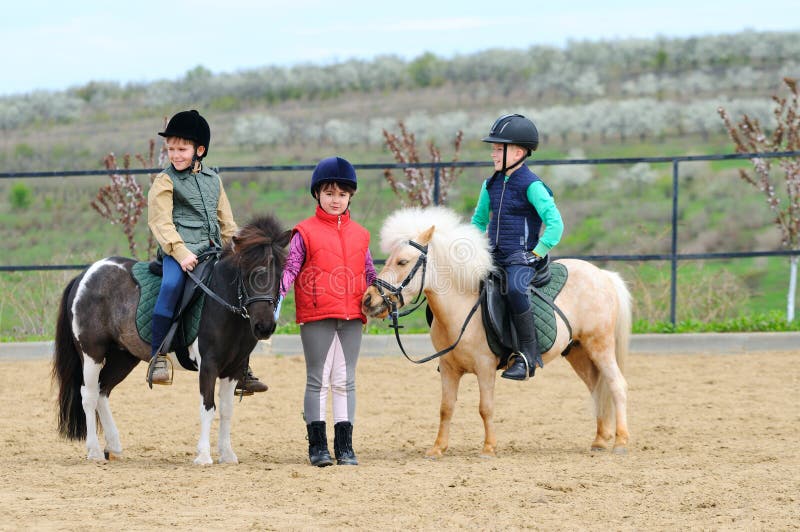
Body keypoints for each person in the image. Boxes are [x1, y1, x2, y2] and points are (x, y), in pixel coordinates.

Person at [146, 109, 267, 394]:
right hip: (180, 253)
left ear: (199, 150)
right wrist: (180, 252)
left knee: (240, 289)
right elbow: (160, 221)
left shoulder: (214, 179)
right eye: (171, 149)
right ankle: (158, 355)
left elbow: (227, 222)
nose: (175, 155)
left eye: (182, 149)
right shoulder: (165, 181)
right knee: (171, 285)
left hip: (213, 250)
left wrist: (239, 249)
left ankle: (242, 365)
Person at [277, 156, 376, 466]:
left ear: (350, 197)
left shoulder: (361, 234)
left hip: (353, 316)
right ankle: (317, 446)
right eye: (329, 193)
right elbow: (291, 268)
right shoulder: (303, 232)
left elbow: (370, 272)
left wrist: (381, 297)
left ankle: (345, 447)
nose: (336, 200)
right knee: (317, 379)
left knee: (345, 380)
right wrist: (275, 299)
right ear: (317, 194)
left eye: (342, 194)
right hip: (317, 315)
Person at [471, 113, 564, 381]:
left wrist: (537, 252)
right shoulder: (490, 184)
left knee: (514, 288)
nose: (493, 154)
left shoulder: (533, 186)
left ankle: (527, 356)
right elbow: (478, 221)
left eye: (499, 149)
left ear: (518, 153)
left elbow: (555, 224)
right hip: (493, 255)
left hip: (522, 257)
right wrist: (470, 247)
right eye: (493, 149)